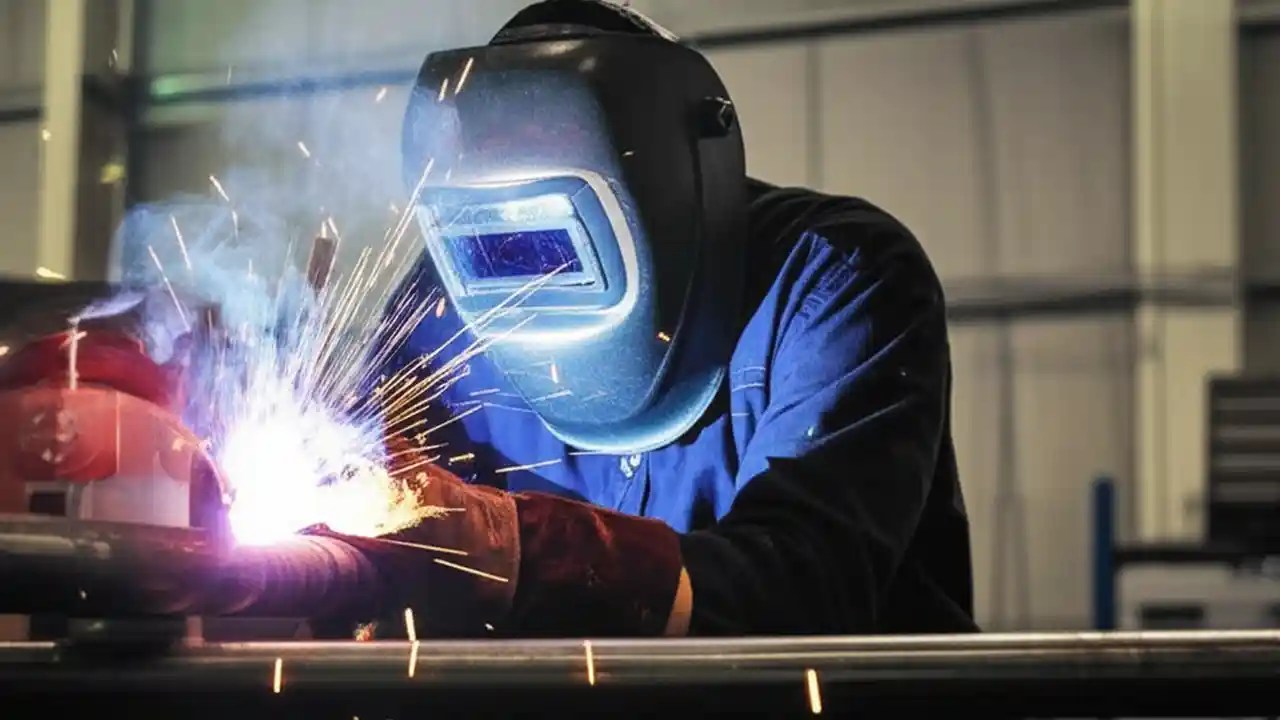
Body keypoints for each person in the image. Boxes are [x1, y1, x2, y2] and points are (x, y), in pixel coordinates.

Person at [332, 0, 976, 638]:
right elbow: (360, 491)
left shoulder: (832, 278)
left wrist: (513, 548)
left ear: (660, 178)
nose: (529, 272)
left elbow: (804, 591)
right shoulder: (439, 308)